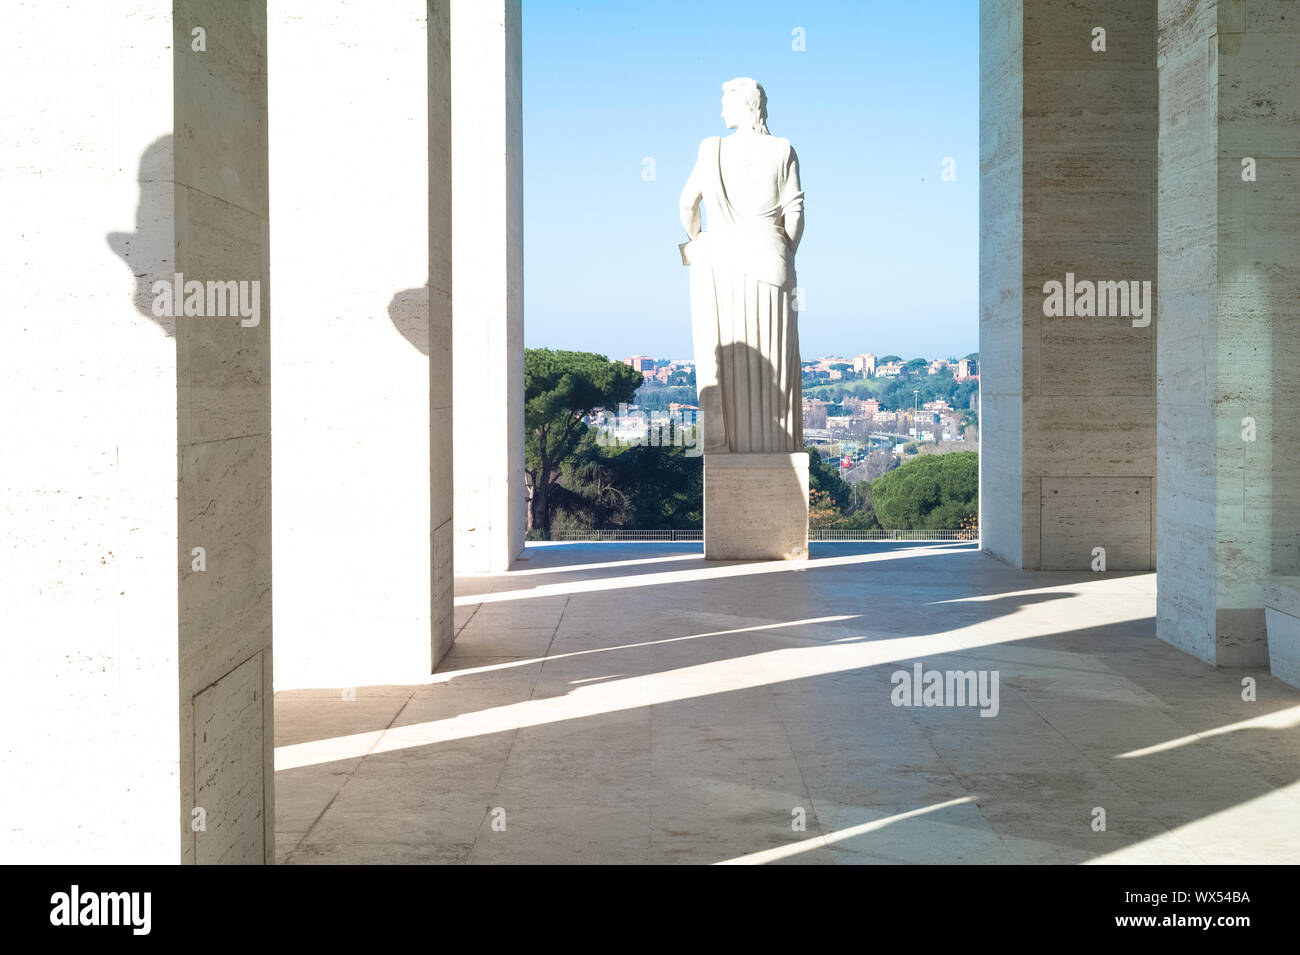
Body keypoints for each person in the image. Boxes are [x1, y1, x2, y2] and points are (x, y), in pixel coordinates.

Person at [679, 77, 805, 454]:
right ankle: (775, 451)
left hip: (721, 270)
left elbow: (687, 205)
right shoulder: (783, 149)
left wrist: (699, 238)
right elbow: (795, 216)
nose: (720, 111)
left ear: (744, 104)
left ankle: (729, 449)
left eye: (725, 102)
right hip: (774, 266)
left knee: (727, 366)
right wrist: (784, 252)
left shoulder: (712, 149)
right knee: (777, 369)